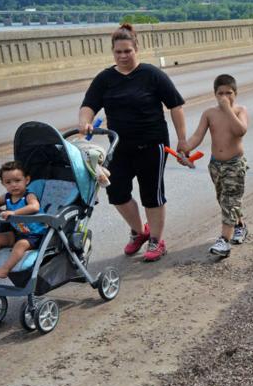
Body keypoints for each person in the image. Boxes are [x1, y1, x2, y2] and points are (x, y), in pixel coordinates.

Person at [78, 23, 188, 262]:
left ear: (136, 49)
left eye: (127, 51)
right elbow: (88, 105)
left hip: (152, 145)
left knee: (152, 195)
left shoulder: (152, 75)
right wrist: (84, 121)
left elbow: (176, 106)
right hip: (119, 147)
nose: (123, 56)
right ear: (113, 52)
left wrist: (182, 139)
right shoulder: (105, 78)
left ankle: (157, 241)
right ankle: (139, 232)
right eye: (118, 52)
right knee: (116, 193)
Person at [183, 73, 250, 258]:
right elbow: (197, 136)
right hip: (215, 165)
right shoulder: (209, 114)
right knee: (224, 199)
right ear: (214, 94)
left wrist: (228, 109)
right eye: (220, 93)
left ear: (235, 93)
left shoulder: (239, 111)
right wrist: (185, 148)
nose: (224, 97)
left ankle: (224, 241)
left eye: (229, 93)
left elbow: (240, 130)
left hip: (234, 165)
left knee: (230, 200)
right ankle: (240, 226)